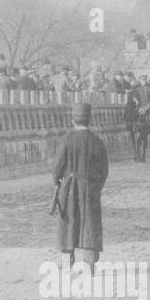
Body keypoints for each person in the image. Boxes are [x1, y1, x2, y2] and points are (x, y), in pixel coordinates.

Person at [51, 102, 110, 271]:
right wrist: (95, 187)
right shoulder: (97, 142)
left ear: (72, 119)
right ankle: (90, 263)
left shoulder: (66, 140)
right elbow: (104, 171)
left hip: (68, 189)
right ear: (90, 119)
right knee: (90, 224)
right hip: (90, 189)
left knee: (67, 223)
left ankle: (66, 261)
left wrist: (58, 184)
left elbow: (57, 169)